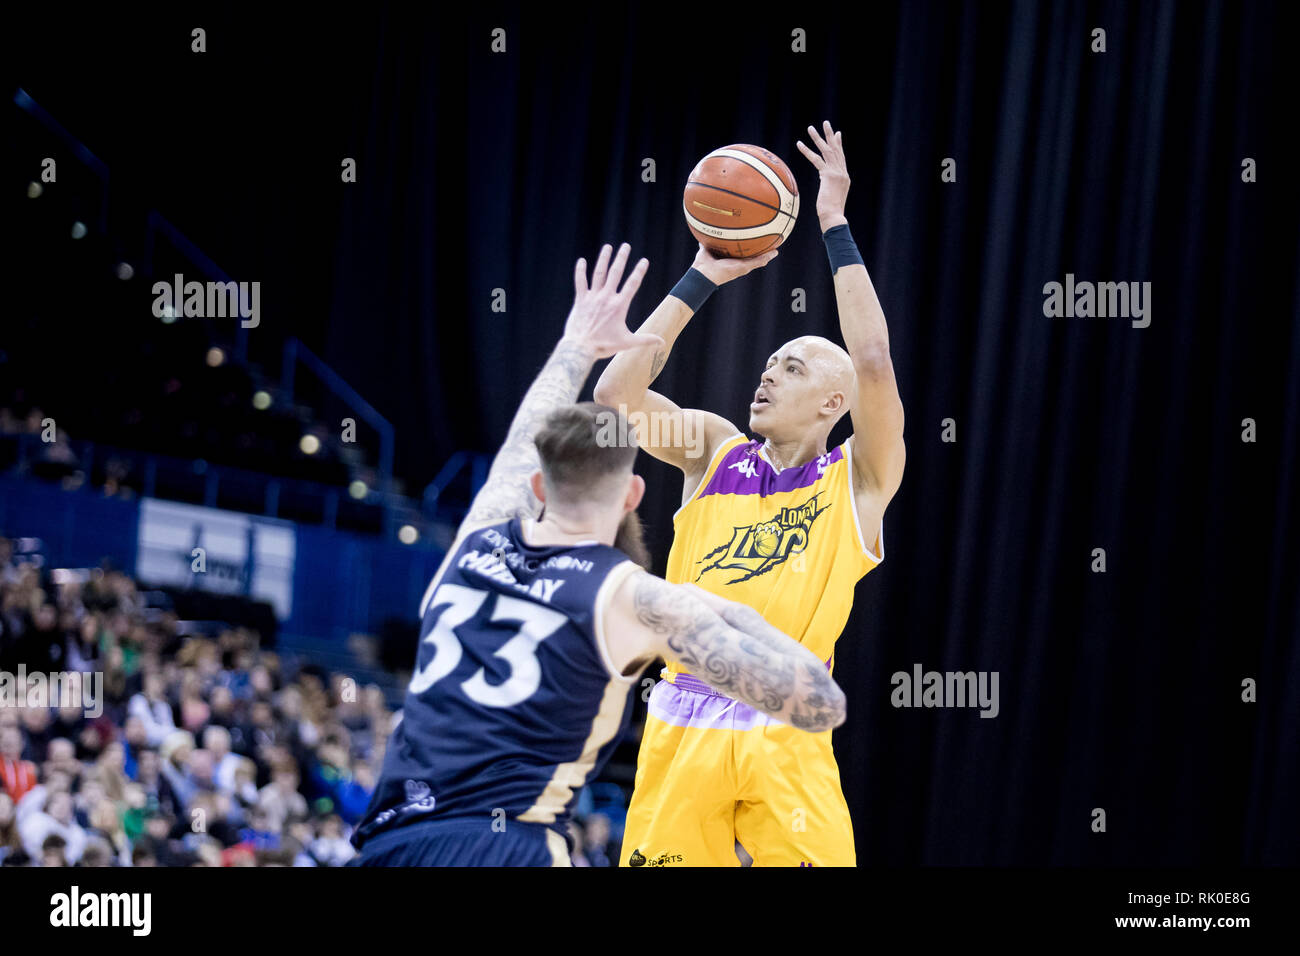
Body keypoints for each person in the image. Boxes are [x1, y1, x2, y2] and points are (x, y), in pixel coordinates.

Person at [352, 243, 847, 867]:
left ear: (535, 490)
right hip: (509, 844)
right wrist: (732, 615)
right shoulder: (629, 599)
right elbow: (817, 703)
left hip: (390, 838)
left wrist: (577, 344)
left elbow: (521, 442)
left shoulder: (470, 550)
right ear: (633, 496)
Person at [595, 122, 906, 866]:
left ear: (835, 404)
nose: (768, 373)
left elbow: (870, 358)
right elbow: (614, 398)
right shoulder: (712, 449)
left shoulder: (859, 479)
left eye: (793, 368)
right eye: (769, 362)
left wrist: (834, 223)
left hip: (787, 715)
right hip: (683, 719)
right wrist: (703, 275)